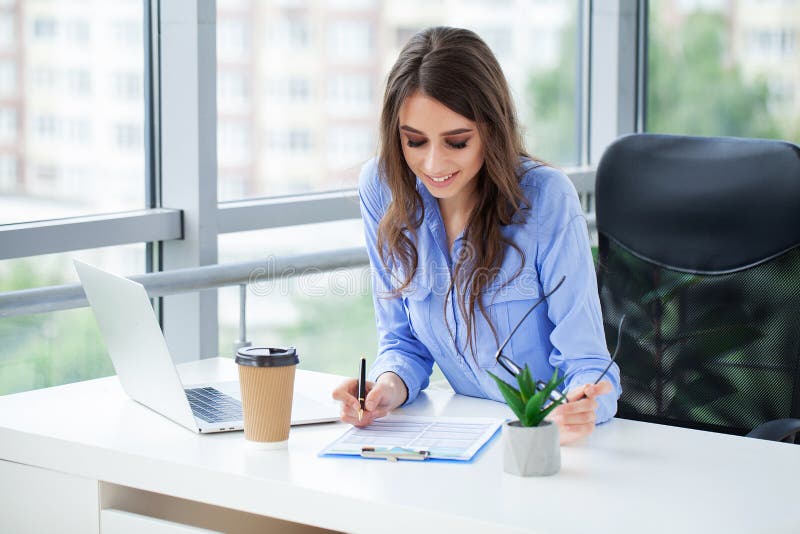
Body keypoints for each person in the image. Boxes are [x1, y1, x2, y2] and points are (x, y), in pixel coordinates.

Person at [332, 26, 621, 444]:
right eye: (415, 141)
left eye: (457, 141)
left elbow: (589, 363)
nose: (433, 163)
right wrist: (384, 390)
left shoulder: (545, 199)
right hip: (466, 441)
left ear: (491, 127)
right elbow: (401, 345)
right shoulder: (383, 189)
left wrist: (581, 404)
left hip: (545, 444)